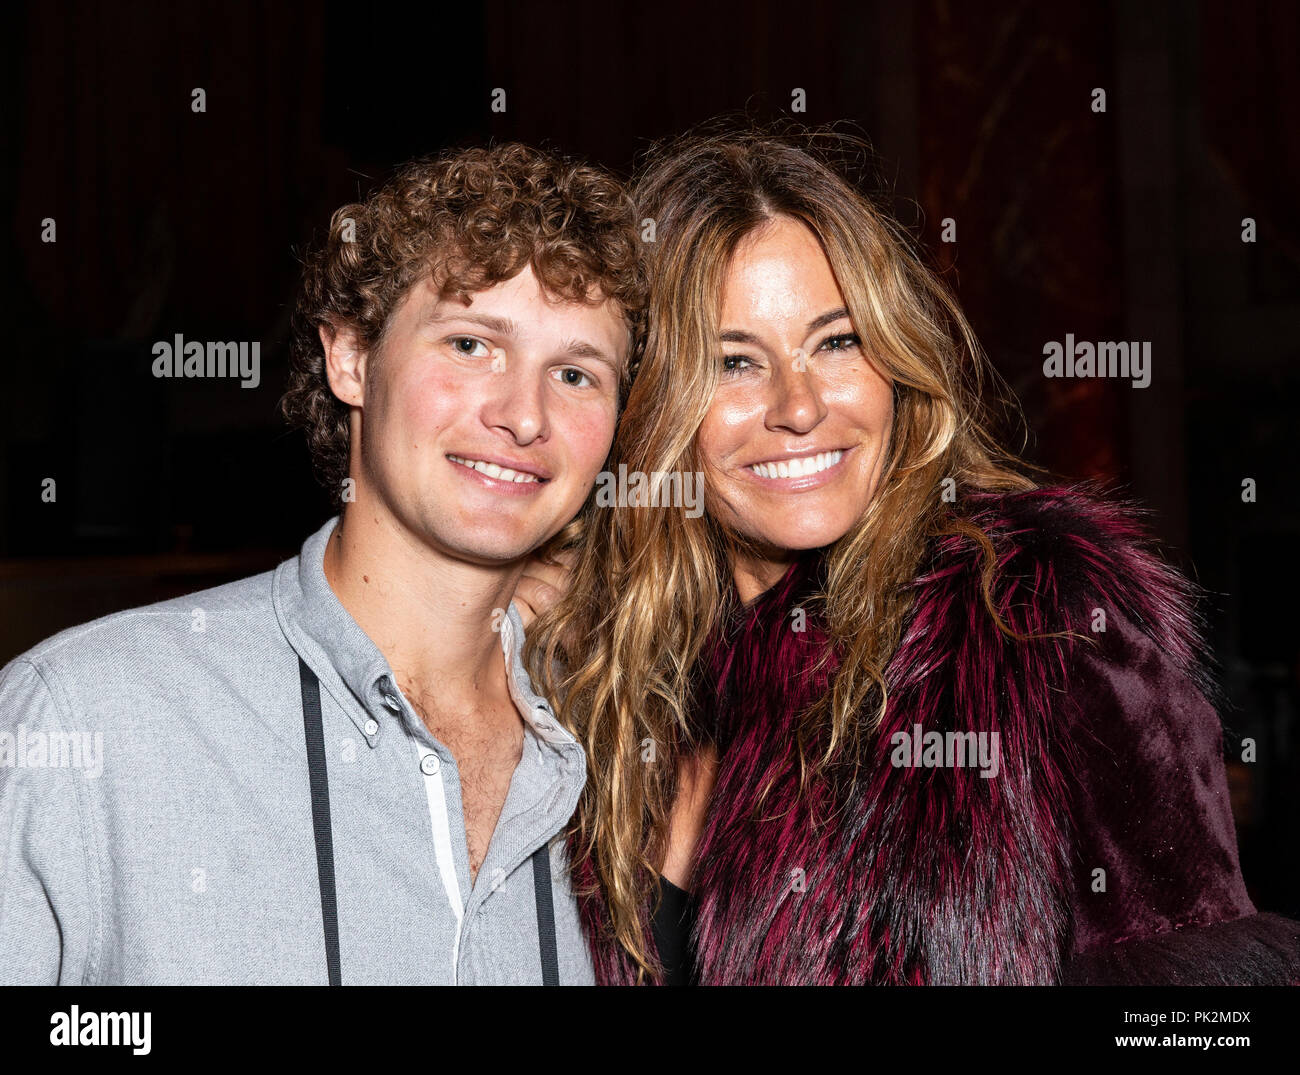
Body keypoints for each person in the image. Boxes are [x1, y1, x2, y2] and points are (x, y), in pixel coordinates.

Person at [524, 124, 1300, 985]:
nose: (801, 404)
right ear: (654, 400)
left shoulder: (1039, 621)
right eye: (734, 361)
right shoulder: (594, 682)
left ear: (896, 357)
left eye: (838, 341)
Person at [0, 142, 646, 984]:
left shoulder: (629, 748)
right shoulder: (85, 720)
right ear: (350, 358)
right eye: (469, 345)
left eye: (574, 371)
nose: (525, 416)